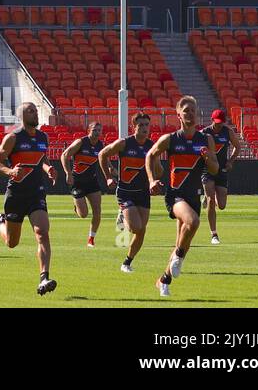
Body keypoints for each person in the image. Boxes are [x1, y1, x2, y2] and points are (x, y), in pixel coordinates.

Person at [146, 96, 219, 297]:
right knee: (193, 222)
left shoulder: (206, 140)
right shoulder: (171, 139)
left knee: (182, 243)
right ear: (178, 114)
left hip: (194, 197)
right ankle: (178, 256)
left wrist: (208, 158)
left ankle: (163, 280)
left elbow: (214, 169)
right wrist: (152, 179)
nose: (191, 114)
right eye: (186, 110)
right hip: (175, 195)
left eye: (193, 110)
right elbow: (150, 155)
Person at [0, 101, 59, 296]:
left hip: (36, 193)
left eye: (36, 111)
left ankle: (44, 278)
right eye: (30, 111)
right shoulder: (13, 138)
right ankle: (0, 224)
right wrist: (10, 171)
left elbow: (42, 159)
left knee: (42, 232)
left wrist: (48, 169)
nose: (35, 113)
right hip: (16, 196)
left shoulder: (44, 137)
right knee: (12, 243)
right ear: (22, 116)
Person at [97, 112, 153, 273]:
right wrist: (108, 176)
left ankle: (127, 262)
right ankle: (122, 213)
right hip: (125, 192)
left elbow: (157, 168)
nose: (144, 128)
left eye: (146, 125)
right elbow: (102, 154)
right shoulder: (124, 143)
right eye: (140, 125)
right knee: (135, 227)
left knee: (141, 230)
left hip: (143, 193)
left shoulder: (151, 146)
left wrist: (156, 176)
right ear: (133, 126)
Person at [200, 108, 243, 245]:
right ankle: (214, 234)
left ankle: (206, 199)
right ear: (212, 120)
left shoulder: (227, 131)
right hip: (207, 169)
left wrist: (230, 161)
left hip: (222, 169)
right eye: (216, 122)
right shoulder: (205, 133)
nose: (219, 125)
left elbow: (237, 146)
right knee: (211, 201)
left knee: (222, 205)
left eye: (221, 123)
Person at [61, 121, 106, 247]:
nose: (97, 133)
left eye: (99, 130)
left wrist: (111, 169)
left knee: (97, 210)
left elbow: (104, 159)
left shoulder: (100, 145)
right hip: (77, 182)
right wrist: (68, 173)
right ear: (89, 131)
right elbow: (64, 155)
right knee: (84, 214)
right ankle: (76, 205)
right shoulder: (80, 142)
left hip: (92, 181)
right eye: (94, 130)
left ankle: (91, 239)